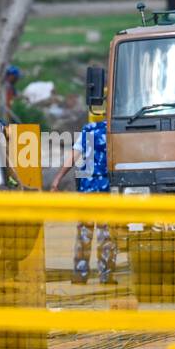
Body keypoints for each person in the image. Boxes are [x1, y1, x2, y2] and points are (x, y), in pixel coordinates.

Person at [50, 111, 116, 285]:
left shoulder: (88, 130)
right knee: (106, 235)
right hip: (107, 190)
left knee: (84, 234)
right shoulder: (117, 130)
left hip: (87, 189)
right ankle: (106, 276)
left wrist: (57, 179)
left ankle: (80, 274)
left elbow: (73, 156)